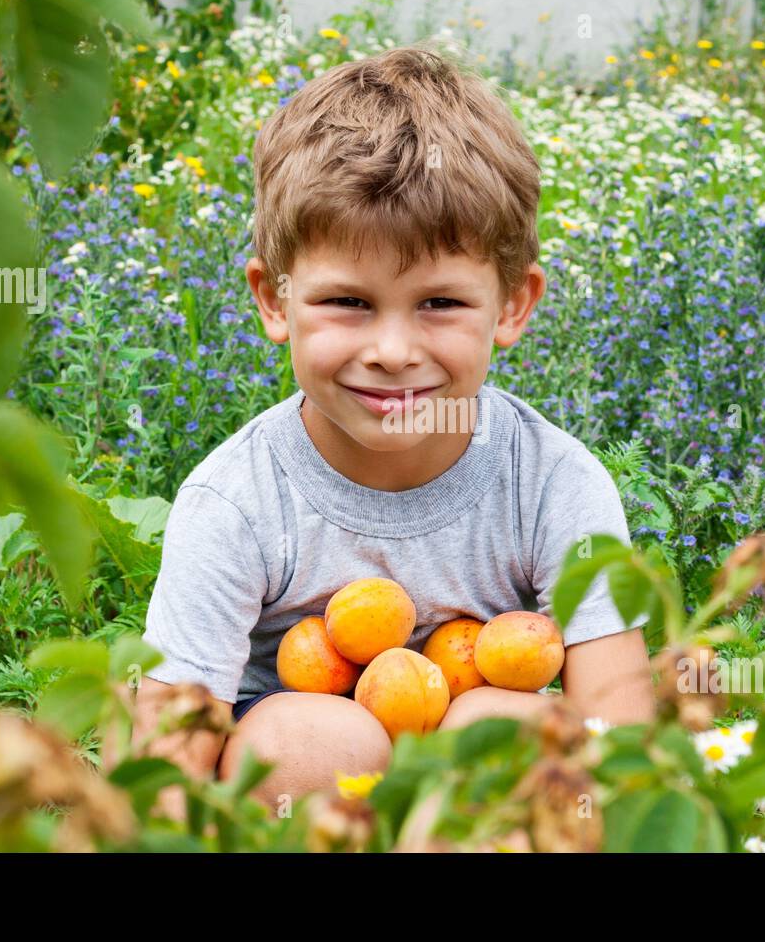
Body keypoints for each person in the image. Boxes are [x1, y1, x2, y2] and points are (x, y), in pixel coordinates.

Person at [130, 41, 654, 819]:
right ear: (274, 301)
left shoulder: (551, 483)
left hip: (476, 801)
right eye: (348, 302)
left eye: (439, 303)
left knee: (503, 727)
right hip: (300, 797)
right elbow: (162, 759)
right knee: (314, 740)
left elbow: (620, 725)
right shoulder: (237, 500)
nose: (393, 352)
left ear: (513, 305)